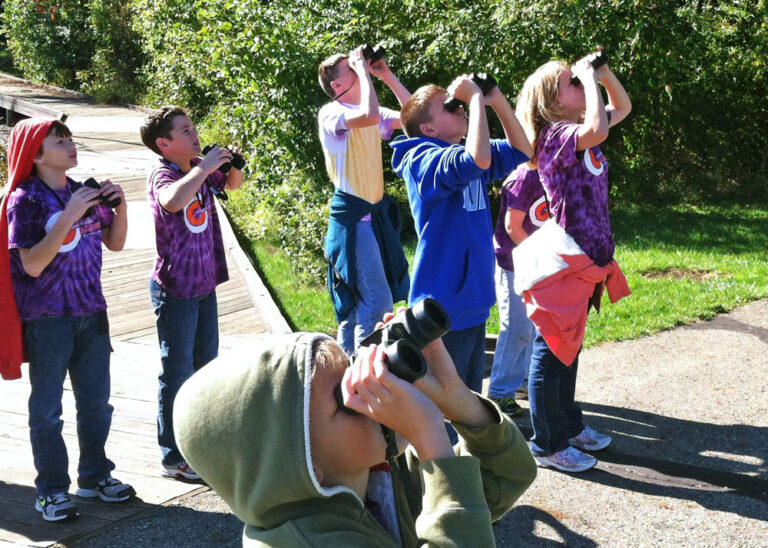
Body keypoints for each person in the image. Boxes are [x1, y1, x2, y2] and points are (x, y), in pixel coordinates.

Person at [172, 325, 537, 546]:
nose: (369, 398)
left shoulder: (378, 478)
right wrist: (430, 440)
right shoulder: (304, 543)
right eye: (344, 402)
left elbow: (505, 478)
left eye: (355, 374)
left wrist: (456, 401)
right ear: (303, 464)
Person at [4, 117, 134, 521]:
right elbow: (31, 265)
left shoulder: (83, 192)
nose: (71, 145)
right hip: (48, 319)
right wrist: (68, 217)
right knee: (47, 410)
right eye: (60, 142)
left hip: (92, 313)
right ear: (36, 155)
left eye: (70, 139)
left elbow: (115, 243)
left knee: (97, 405)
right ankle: (51, 491)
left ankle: (95, 476)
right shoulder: (25, 200)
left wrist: (121, 205)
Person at [512, 54, 632, 472]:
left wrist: (600, 74)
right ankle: (546, 444)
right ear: (553, 101)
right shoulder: (554, 136)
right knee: (552, 351)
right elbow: (598, 126)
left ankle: (567, 425)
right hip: (564, 264)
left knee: (570, 348)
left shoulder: (577, 131)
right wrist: (586, 75)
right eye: (571, 83)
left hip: (585, 261)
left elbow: (622, 109)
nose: (581, 88)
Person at [390, 77, 533, 396]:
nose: (460, 110)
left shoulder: (462, 150)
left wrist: (495, 101)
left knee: (467, 398)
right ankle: (439, 448)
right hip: (441, 305)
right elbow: (477, 160)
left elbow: (523, 149)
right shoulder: (423, 159)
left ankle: (464, 448)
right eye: (450, 107)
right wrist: (472, 102)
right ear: (428, 129)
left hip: (472, 299)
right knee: (444, 403)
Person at [139, 106, 244, 480]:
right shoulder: (163, 173)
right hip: (175, 288)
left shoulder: (197, 165)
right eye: (185, 131)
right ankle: (172, 455)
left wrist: (232, 163)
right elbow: (172, 201)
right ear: (164, 144)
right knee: (177, 369)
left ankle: (203, 444)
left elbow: (233, 185)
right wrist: (203, 168)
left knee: (206, 367)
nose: (194, 134)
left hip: (204, 282)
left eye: (193, 127)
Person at [318, 46, 412, 354]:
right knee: (377, 302)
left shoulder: (369, 112)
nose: (361, 70)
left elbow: (414, 116)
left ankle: (343, 375)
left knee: (360, 307)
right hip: (353, 222)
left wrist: (385, 75)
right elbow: (369, 115)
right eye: (352, 69)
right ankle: (361, 377)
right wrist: (362, 68)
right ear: (337, 86)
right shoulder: (332, 113)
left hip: (371, 220)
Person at [488, 165, 549, 417]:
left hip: (538, 262)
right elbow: (513, 227)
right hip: (512, 263)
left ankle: (523, 382)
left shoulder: (552, 172)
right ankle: (499, 391)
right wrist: (536, 256)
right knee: (516, 329)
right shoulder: (522, 178)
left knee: (534, 325)